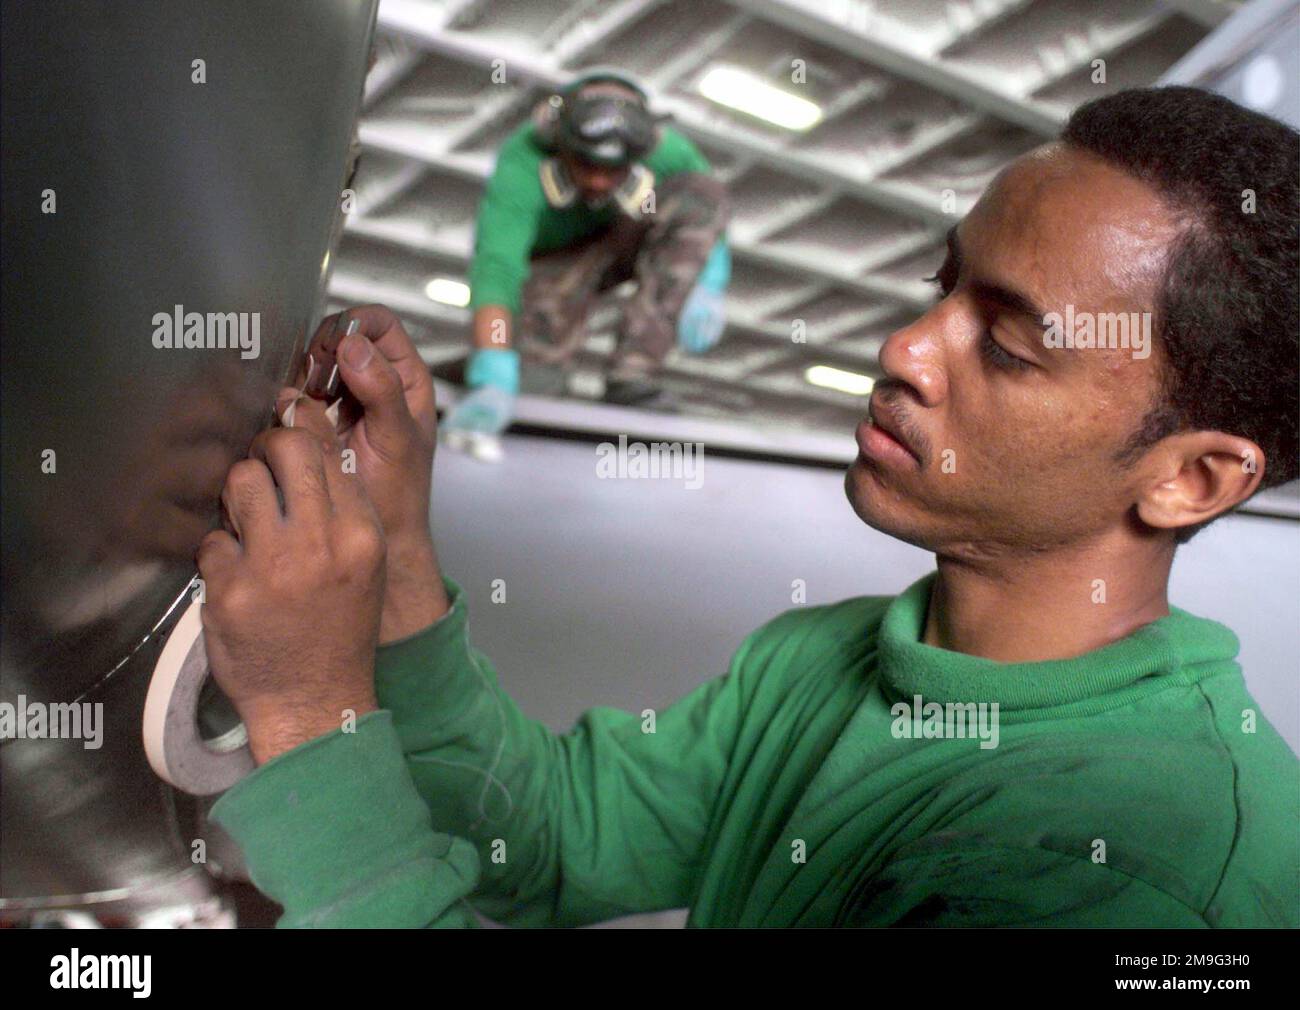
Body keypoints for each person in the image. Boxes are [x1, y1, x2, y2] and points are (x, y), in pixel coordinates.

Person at [197, 87, 1298, 927]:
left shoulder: (1143, 869)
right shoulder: (821, 661)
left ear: (1189, 479)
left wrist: (310, 721)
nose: (904, 349)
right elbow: (538, 841)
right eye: (940, 286)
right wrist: (395, 553)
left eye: (1008, 345)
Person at [442, 68, 731, 458]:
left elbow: (708, 211)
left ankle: (632, 374)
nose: (598, 181)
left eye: (614, 170)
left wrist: (711, 280)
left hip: (623, 239)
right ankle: (463, 370)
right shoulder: (522, 162)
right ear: (560, 144)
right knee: (536, 386)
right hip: (552, 269)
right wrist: (493, 359)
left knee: (700, 193)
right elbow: (497, 270)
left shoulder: (670, 151)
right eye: (586, 164)